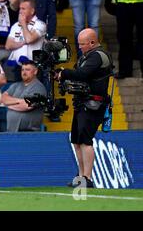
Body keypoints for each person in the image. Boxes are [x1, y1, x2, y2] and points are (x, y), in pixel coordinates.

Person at [54, 28, 113, 188]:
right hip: (82, 102)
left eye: (82, 44)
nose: (79, 47)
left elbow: (82, 74)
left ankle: (87, 177)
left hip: (94, 104)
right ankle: (81, 176)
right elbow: (78, 73)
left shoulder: (98, 56)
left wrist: (64, 73)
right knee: (77, 140)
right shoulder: (86, 56)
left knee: (86, 140)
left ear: (92, 42)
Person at [5, 0, 47, 81]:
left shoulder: (40, 24)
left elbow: (29, 39)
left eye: (23, 9)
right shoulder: (16, 25)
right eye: (20, 8)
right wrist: (22, 43)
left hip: (34, 67)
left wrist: (24, 24)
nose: (20, 11)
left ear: (32, 11)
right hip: (17, 67)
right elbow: (8, 45)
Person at [0, 61, 47, 132]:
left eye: (27, 70)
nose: (24, 72)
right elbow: (3, 98)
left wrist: (9, 106)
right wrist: (20, 101)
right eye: (22, 70)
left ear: (35, 71)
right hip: (11, 130)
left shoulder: (39, 88)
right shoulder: (15, 85)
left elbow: (27, 106)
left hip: (29, 132)